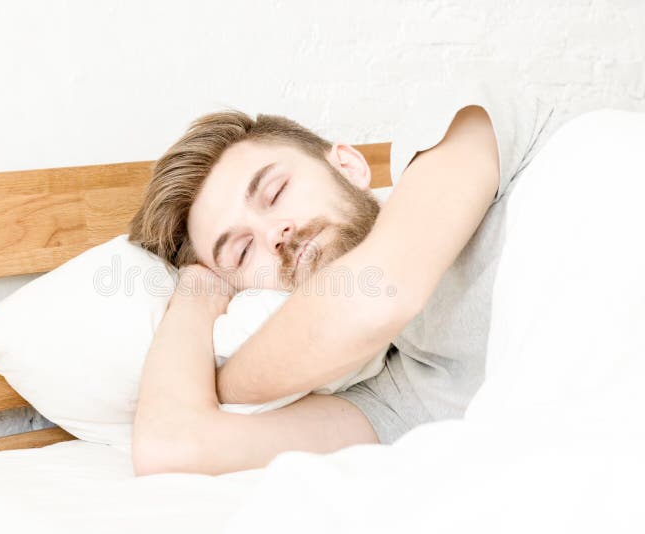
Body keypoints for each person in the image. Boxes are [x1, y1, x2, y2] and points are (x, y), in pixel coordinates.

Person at [128, 80, 558, 476]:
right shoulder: (399, 399)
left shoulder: (456, 126)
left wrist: (225, 383)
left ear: (348, 166)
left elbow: (378, 297)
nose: (274, 234)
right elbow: (171, 446)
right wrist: (197, 292)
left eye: (275, 192)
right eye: (242, 252)